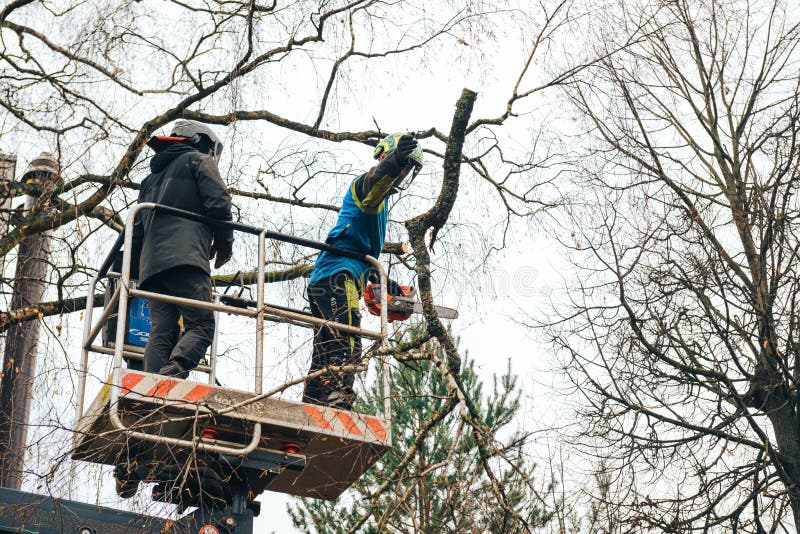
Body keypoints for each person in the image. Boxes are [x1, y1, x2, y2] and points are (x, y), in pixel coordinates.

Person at [303, 133, 423, 410]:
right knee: (347, 337)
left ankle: (312, 402)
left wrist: (381, 278)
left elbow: (359, 247)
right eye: (404, 167)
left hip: (333, 275)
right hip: (338, 275)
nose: (404, 173)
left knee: (325, 345)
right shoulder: (364, 188)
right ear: (387, 158)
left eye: (408, 169)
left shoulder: (379, 204)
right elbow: (374, 179)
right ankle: (337, 397)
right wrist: (395, 160)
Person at [131, 119, 234, 379]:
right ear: (201, 142)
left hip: (152, 269)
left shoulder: (149, 181)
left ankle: (150, 386)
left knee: (161, 330)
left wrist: (136, 271)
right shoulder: (198, 161)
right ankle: (172, 374)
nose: (212, 155)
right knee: (201, 324)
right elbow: (219, 202)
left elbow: (137, 230)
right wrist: (224, 246)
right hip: (186, 260)